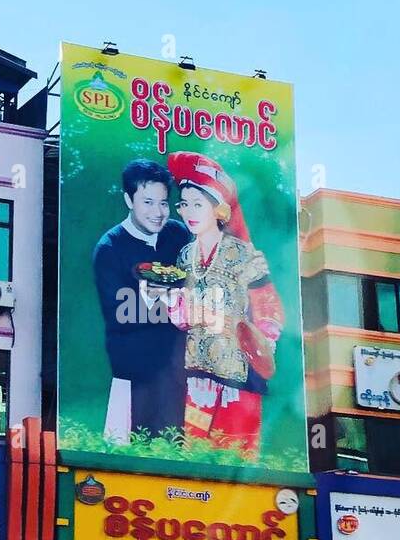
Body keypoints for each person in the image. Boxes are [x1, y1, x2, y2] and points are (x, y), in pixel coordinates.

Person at [165, 152, 284, 457]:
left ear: (218, 209)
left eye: (197, 204)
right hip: (197, 374)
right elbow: (180, 316)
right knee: (195, 452)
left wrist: (261, 343)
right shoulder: (185, 256)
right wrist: (169, 301)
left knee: (236, 457)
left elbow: (269, 306)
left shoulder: (243, 254)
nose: (188, 212)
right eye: (184, 203)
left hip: (237, 376)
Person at [91, 159, 190, 443]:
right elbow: (122, 312)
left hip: (179, 370)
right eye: (148, 202)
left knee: (183, 454)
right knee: (135, 453)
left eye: (163, 203)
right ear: (128, 200)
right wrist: (177, 302)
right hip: (135, 374)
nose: (157, 213)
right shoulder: (110, 248)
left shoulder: (177, 233)